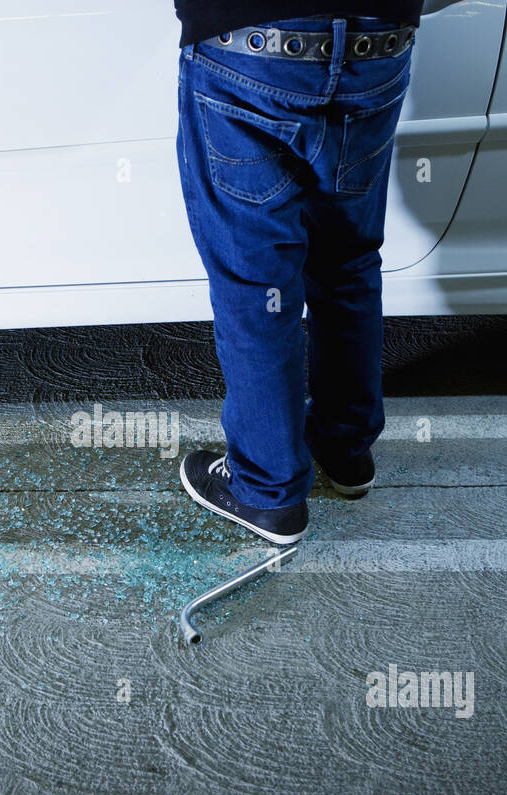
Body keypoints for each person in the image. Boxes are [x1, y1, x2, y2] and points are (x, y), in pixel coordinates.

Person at [174, 2, 422, 545]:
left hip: (247, 42)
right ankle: (344, 452)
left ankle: (269, 491)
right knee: (348, 261)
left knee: (256, 284)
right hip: (377, 41)